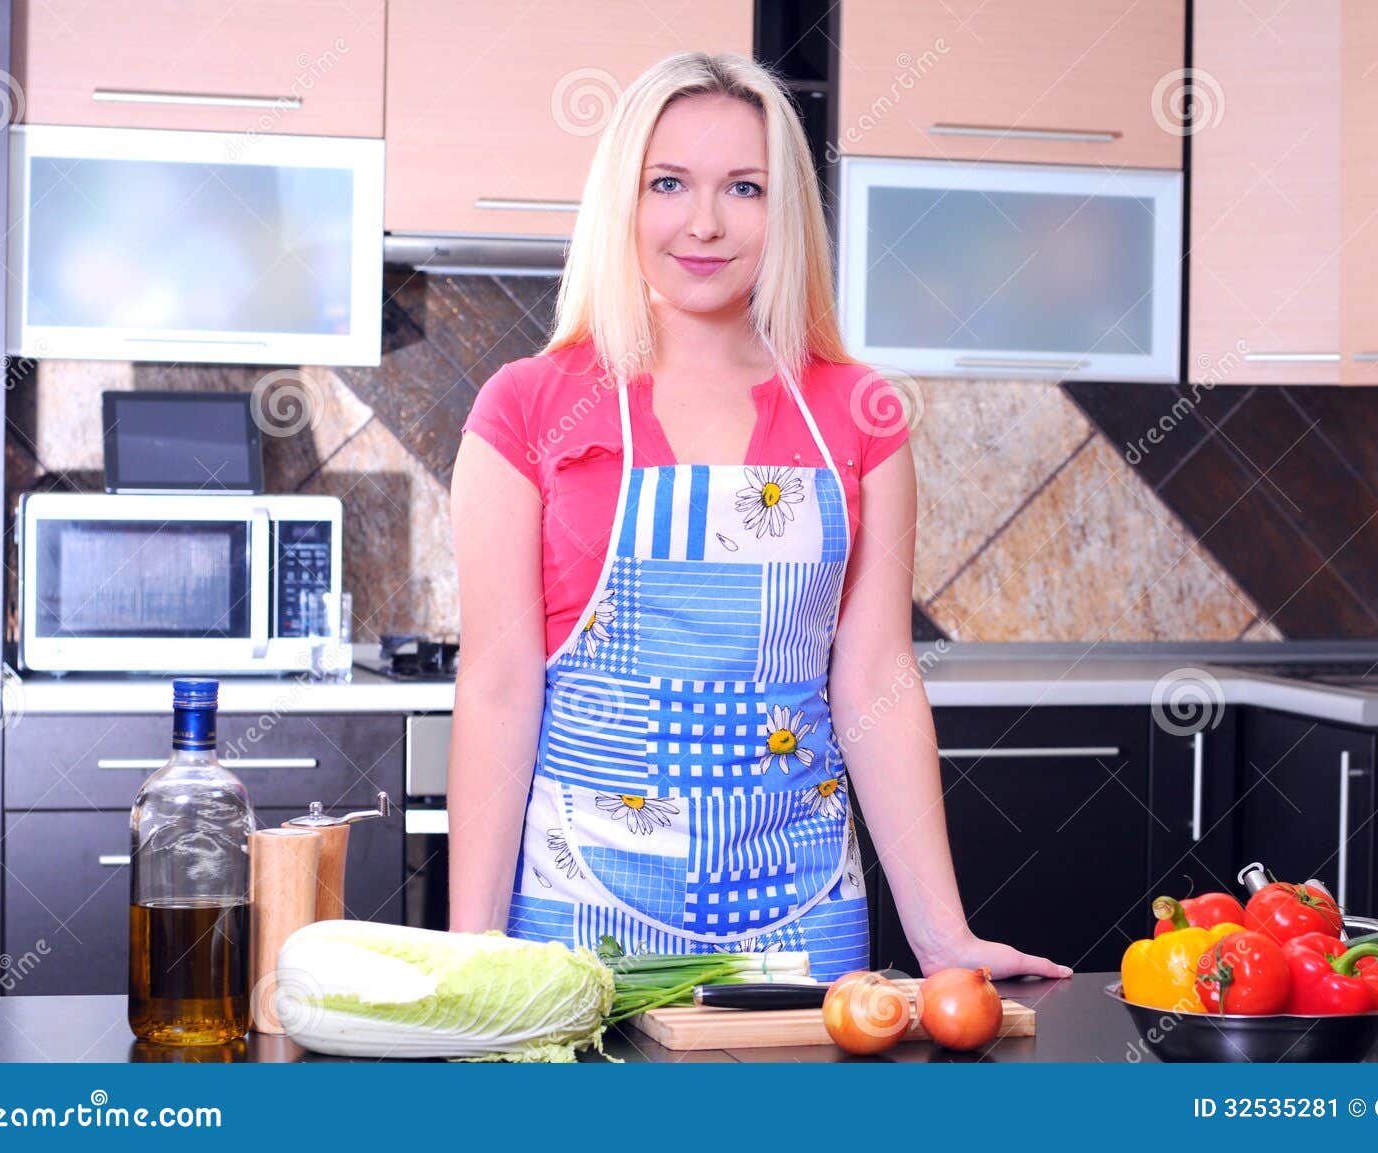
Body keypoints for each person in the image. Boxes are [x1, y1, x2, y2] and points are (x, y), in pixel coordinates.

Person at [449, 51, 1071, 983]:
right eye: (670, 183)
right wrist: (473, 948)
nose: (705, 222)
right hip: (578, 918)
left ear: (786, 214)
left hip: (803, 917)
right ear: (623, 197)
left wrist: (942, 934)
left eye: (745, 187)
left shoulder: (861, 413)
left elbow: (874, 682)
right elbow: (500, 687)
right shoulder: (527, 407)